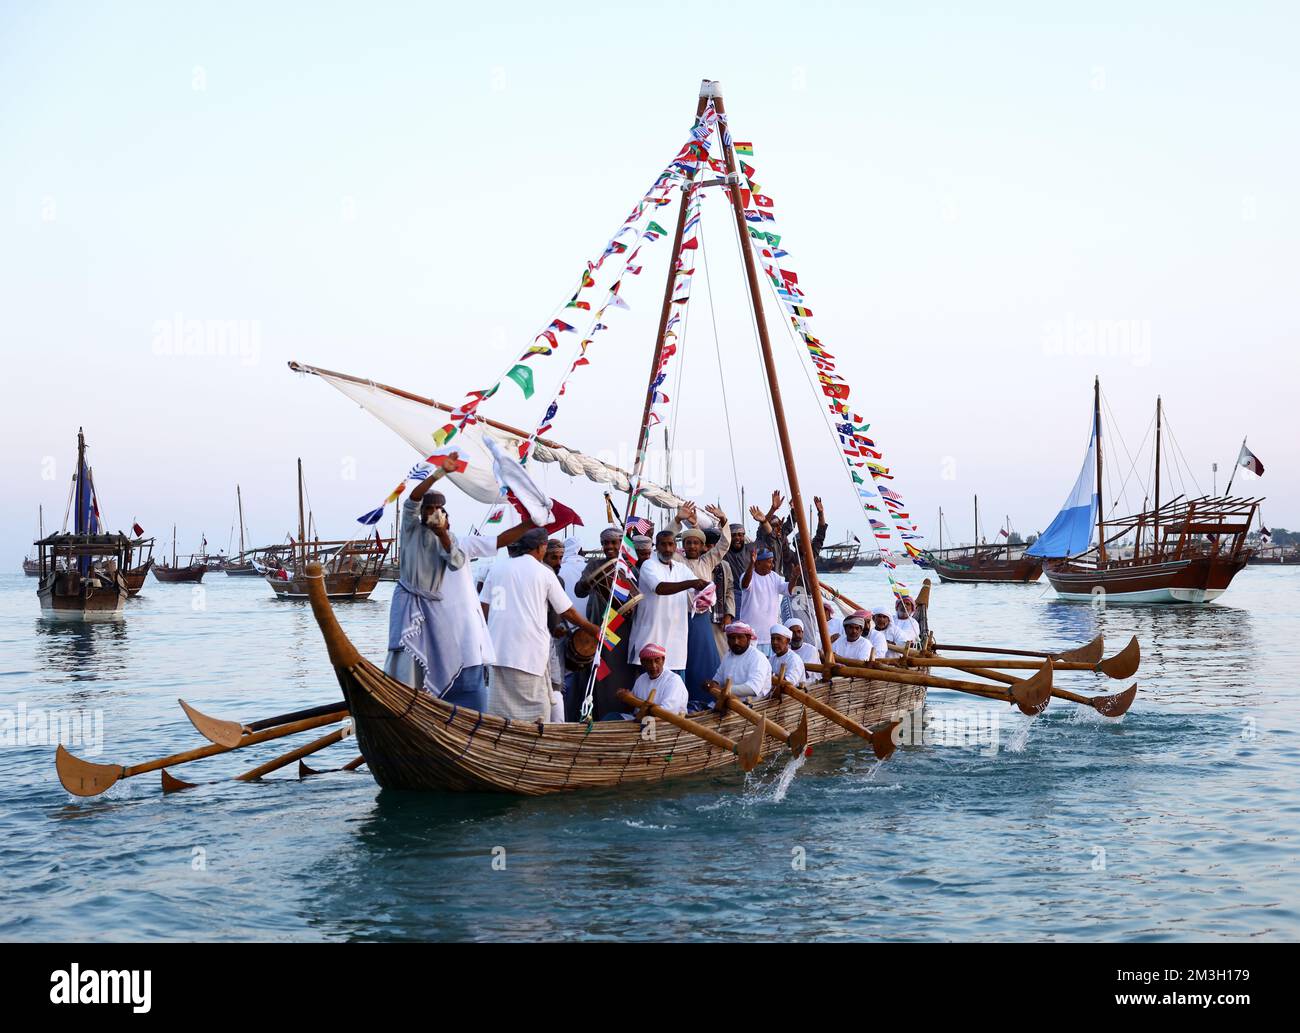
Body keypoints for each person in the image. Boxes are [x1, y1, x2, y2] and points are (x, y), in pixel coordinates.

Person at [484, 527, 601, 722]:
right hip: (528, 653)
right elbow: (567, 611)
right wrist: (592, 628)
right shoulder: (544, 572)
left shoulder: (497, 568)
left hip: (497, 650)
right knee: (537, 710)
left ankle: (505, 741)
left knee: (499, 709)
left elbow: (484, 605)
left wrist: (490, 632)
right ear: (541, 548)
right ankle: (535, 744)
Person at [384, 477, 467, 702]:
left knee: (436, 653)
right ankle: (401, 697)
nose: (432, 512)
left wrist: (442, 535)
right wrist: (438, 473)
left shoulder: (448, 537)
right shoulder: (411, 528)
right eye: (428, 508)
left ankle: (428, 701)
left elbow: (456, 563)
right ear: (421, 512)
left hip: (432, 604)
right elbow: (411, 500)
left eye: (437, 509)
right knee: (405, 655)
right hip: (408, 600)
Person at [630, 529, 708, 679]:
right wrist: (692, 583)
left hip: (676, 643)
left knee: (675, 693)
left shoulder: (681, 568)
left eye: (671, 544)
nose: (667, 549)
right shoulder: (648, 565)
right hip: (651, 637)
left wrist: (707, 592)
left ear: (675, 545)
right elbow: (659, 588)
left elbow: (699, 589)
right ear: (656, 546)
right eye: (663, 545)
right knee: (646, 692)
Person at [675, 503, 732, 710]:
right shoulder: (677, 560)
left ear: (701, 546)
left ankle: (708, 700)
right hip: (680, 619)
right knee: (684, 659)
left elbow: (724, 544)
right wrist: (677, 520)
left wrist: (723, 520)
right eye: (688, 543)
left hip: (701, 620)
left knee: (705, 660)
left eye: (695, 543)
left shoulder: (708, 561)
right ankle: (685, 701)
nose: (691, 546)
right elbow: (665, 539)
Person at [738, 547, 793, 654]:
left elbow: (788, 590)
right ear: (758, 563)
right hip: (751, 637)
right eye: (769, 562)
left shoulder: (775, 577)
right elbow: (744, 585)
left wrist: (794, 577)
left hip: (770, 638)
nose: (772, 565)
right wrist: (751, 564)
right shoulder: (747, 576)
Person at [616, 643, 688, 719]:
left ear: (663, 660)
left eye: (657, 661)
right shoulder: (641, 679)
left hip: (665, 723)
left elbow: (666, 713)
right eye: (649, 662)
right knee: (612, 717)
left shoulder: (673, 680)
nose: (653, 666)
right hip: (641, 721)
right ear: (642, 663)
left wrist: (632, 699)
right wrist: (624, 696)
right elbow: (634, 708)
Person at [706, 621, 773, 701]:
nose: (736, 642)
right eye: (732, 638)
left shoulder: (757, 657)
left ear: (748, 638)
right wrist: (712, 684)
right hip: (728, 701)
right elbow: (718, 679)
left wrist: (723, 690)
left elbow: (753, 688)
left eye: (740, 637)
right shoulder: (728, 656)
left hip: (752, 706)